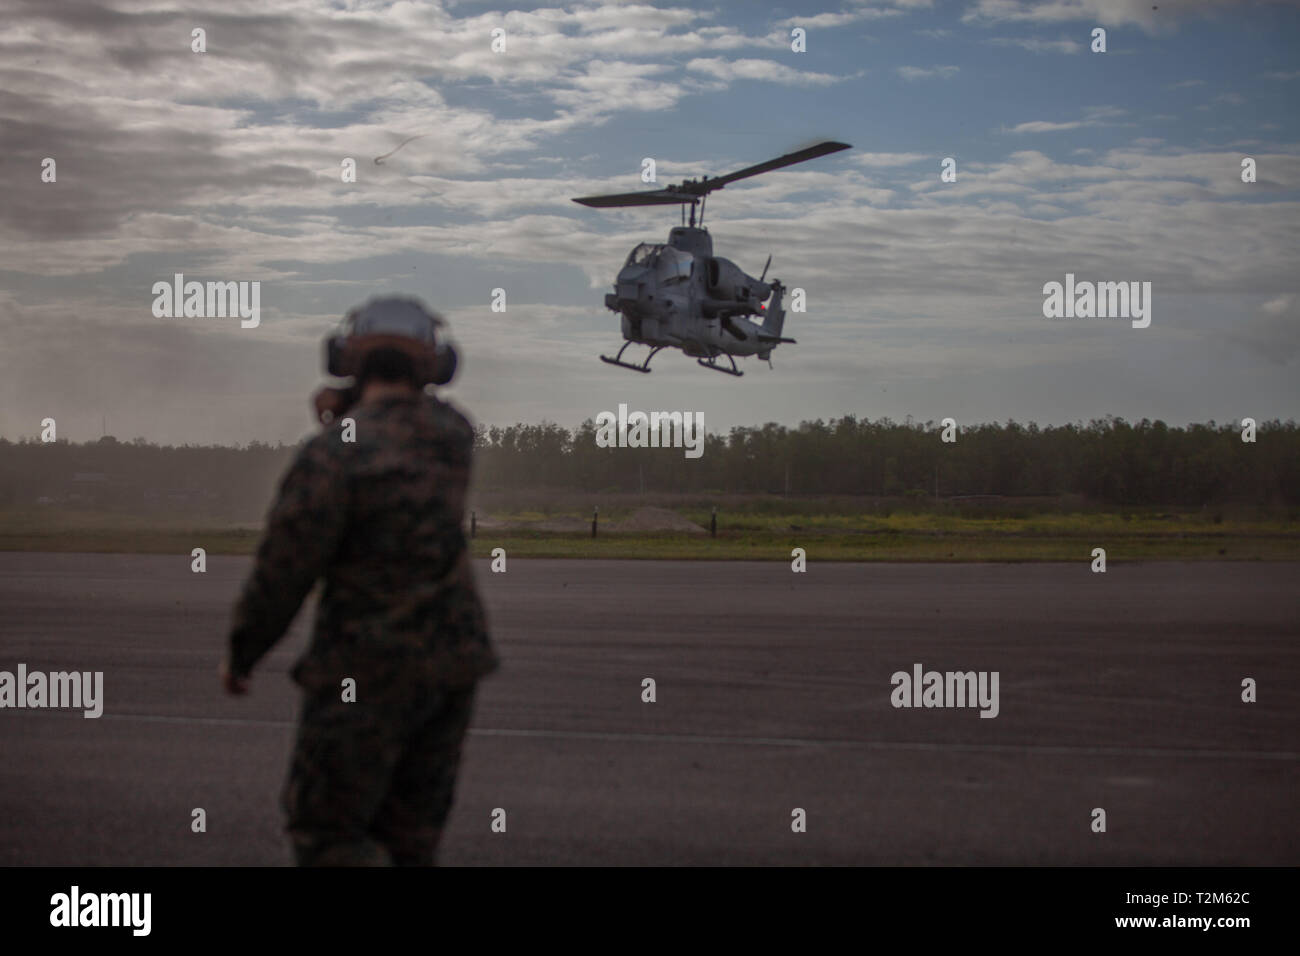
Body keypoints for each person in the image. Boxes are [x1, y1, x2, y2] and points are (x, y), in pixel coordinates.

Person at [220, 296, 498, 866]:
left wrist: (243, 651)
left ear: (345, 358)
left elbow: (285, 568)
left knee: (328, 836)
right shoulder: (454, 439)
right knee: (412, 841)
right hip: (450, 670)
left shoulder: (329, 456)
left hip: (363, 671)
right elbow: (415, 421)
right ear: (435, 364)